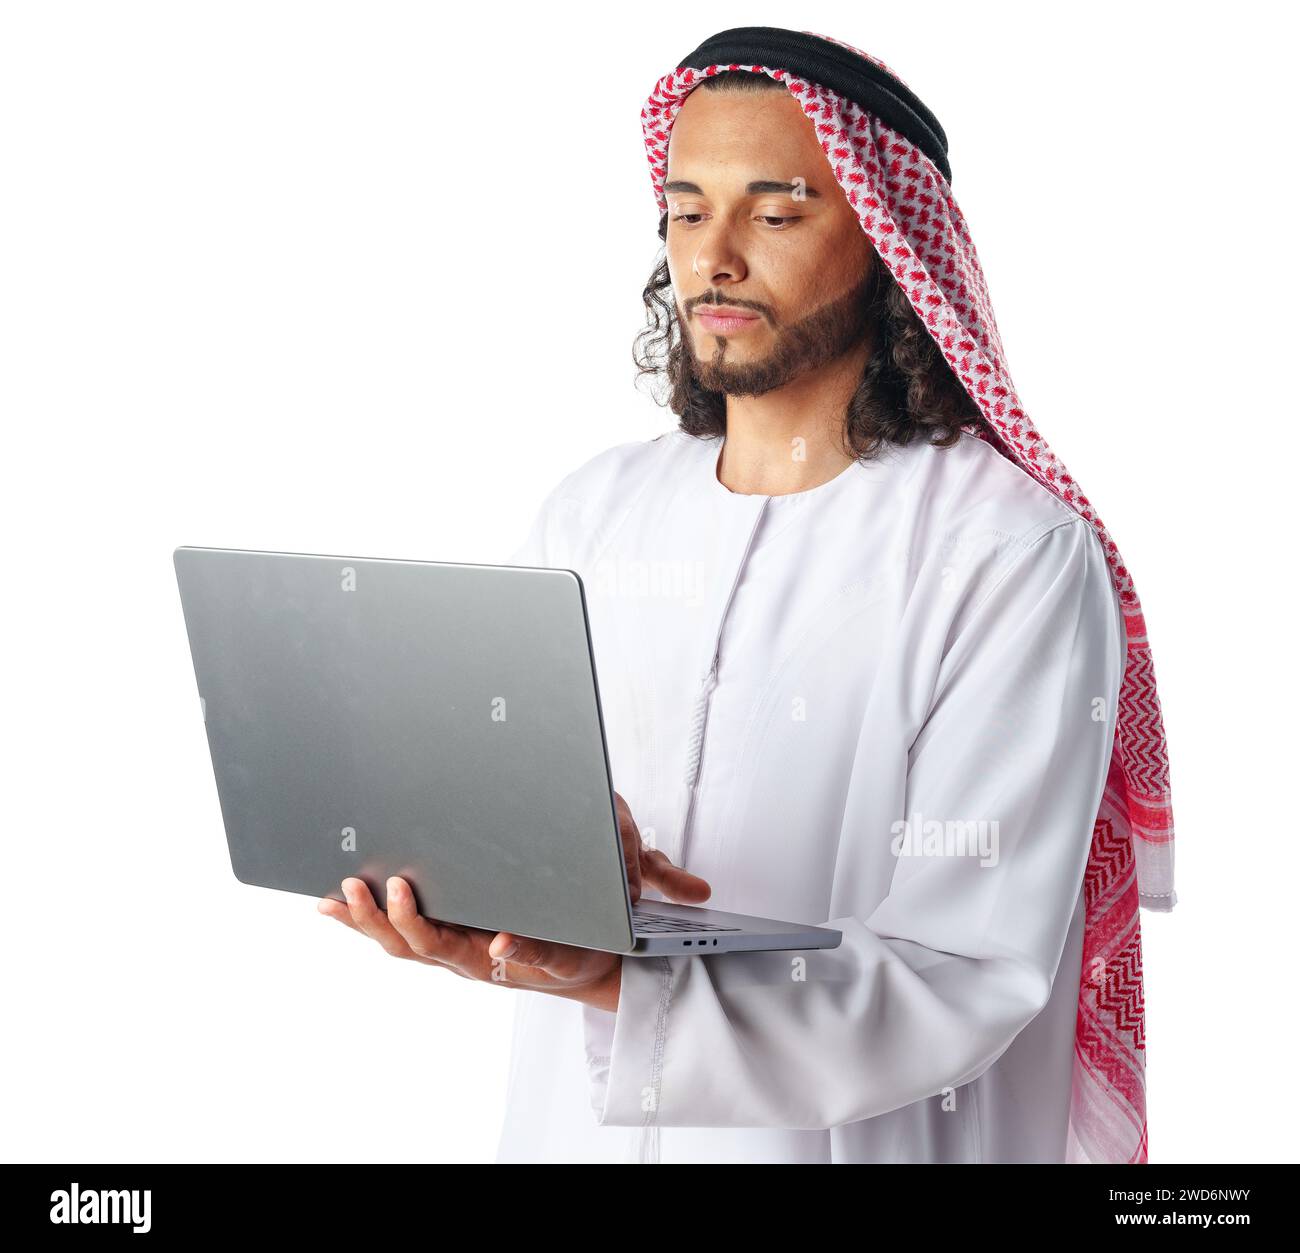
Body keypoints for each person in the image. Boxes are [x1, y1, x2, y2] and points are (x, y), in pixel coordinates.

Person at [319, 27, 1176, 1164]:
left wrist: (621, 970)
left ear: (885, 235)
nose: (712, 255)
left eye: (774, 215)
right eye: (684, 210)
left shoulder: (1005, 552)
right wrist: (523, 870)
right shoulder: (589, 515)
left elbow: (966, 972)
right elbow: (510, 808)